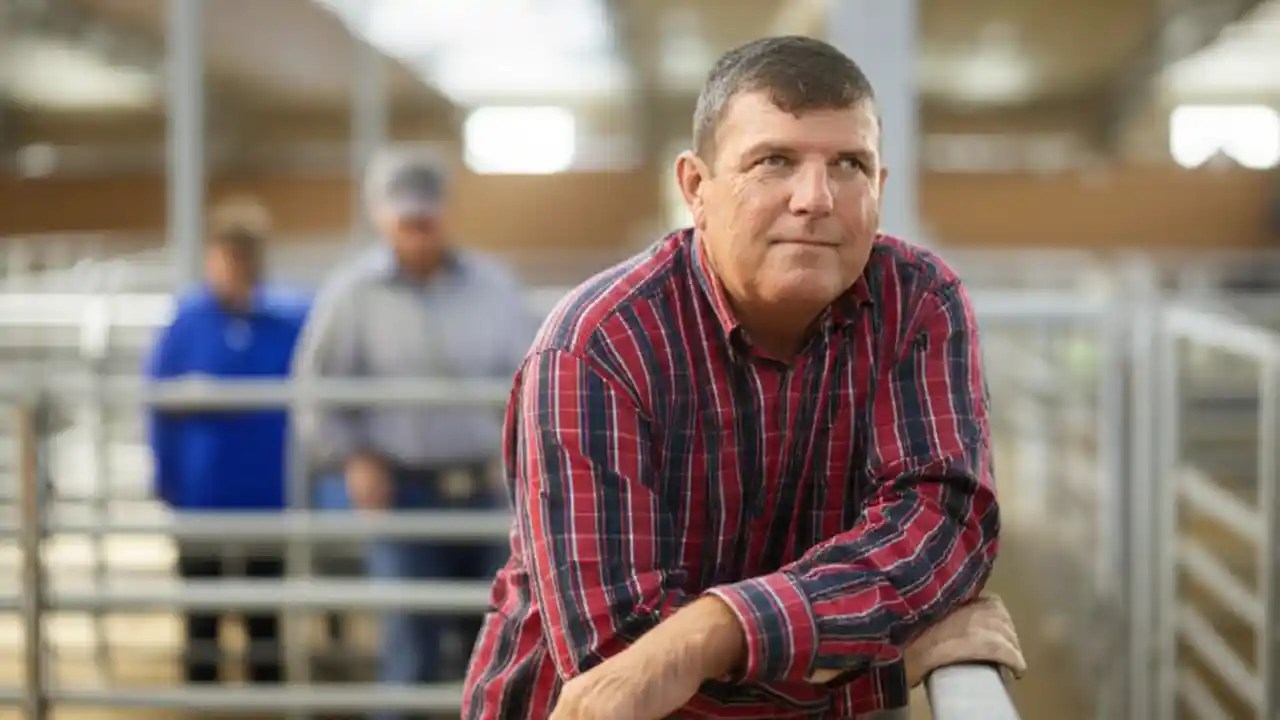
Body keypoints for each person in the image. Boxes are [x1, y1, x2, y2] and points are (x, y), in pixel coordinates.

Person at [463, 36, 1000, 720]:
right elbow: (625, 672)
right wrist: (880, 677)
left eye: (849, 165)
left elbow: (941, 526)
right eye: (773, 161)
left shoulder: (918, 303)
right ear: (695, 188)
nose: (816, 197)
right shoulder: (595, 349)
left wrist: (714, 629)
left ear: (879, 188)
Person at [294, 148, 537, 716]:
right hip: (402, 494)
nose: (418, 231)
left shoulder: (493, 288)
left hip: (487, 492)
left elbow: (532, 380)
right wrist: (353, 456)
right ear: (381, 219)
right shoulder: (352, 296)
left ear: (445, 214)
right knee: (409, 651)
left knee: (503, 647)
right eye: (406, 220)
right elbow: (315, 389)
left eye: (426, 218)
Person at [145, 201, 308, 684]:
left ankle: (264, 697)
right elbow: (158, 404)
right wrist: (165, 476)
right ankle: (203, 695)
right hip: (201, 493)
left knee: (265, 611)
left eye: (245, 255)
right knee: (201, 608)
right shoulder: (186, 323)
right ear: (210, 257)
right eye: (226, 254)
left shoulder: (288, 321)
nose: (235, 266)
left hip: (266, 491)